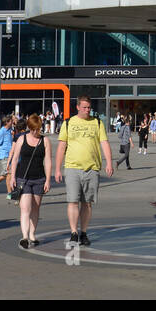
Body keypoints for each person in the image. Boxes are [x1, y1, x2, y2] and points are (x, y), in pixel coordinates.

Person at [55, 97, 113, 246]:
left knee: (87, 203)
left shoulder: (97, 122)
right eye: (85, 107)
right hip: (72, 167)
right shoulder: (68, 123)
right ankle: (74, 232)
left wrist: (109, 163)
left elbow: (104, 143)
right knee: (73, 201)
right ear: (78, 107)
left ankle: (84, 232)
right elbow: (62, 146)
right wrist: (57, 169)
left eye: (89, 107)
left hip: (92, 168)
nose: (88, 110)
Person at [7, 114, 51, 248]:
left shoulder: (45, 141)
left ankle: (32, 234)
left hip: (39, 178)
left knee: (35, 208)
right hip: (23, 178)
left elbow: (48, 161)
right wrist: (12, 176)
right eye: (33, 129)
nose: (36, 132)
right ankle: (25, 236)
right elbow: (15, 159)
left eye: (38, 129)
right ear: (29, 128)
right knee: (25, 208)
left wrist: (48, 180)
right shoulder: (21, 139)